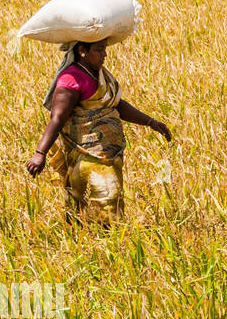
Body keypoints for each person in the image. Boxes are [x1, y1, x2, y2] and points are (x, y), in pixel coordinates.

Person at [25, 38, 171, 222]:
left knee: (111, 199)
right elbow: (58, 117)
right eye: (99, 50)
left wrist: (150, 122)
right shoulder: (70, 80)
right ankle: (89, 239)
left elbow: (115, 104)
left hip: (108, 153)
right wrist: (40, 153)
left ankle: (108, 241)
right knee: (97, 199)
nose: (104, 54)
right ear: (82, 51)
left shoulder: (99, 74)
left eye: (104, 49)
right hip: (85, 152)